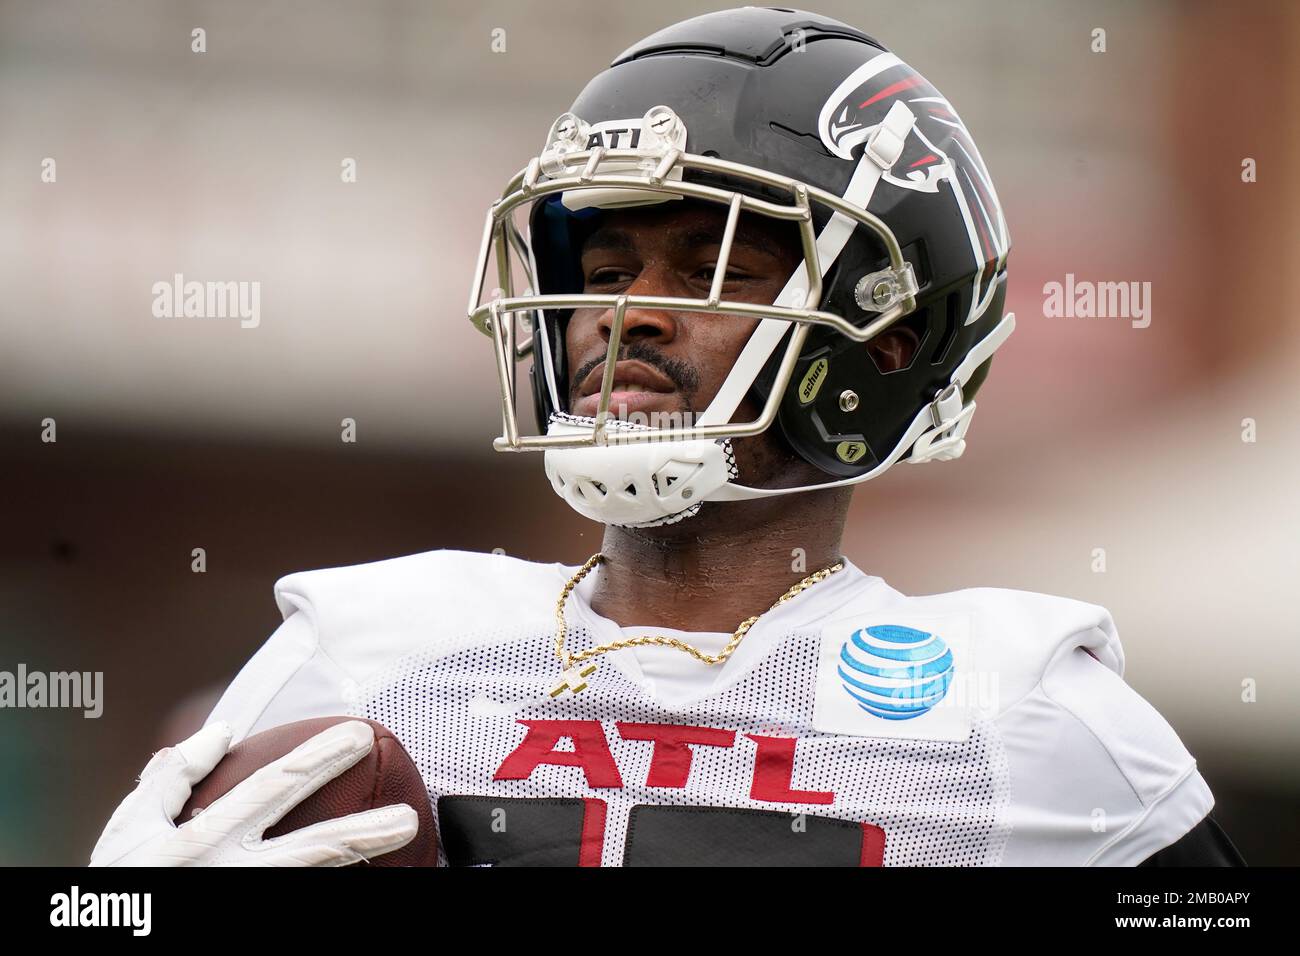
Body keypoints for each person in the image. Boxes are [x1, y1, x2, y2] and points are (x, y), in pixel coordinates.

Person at [91, 7, 1243, 867]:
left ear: (882, 341)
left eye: (708, 269)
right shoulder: (373, 650)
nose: (625, 310)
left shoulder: (1026, 713)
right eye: (603, 269)